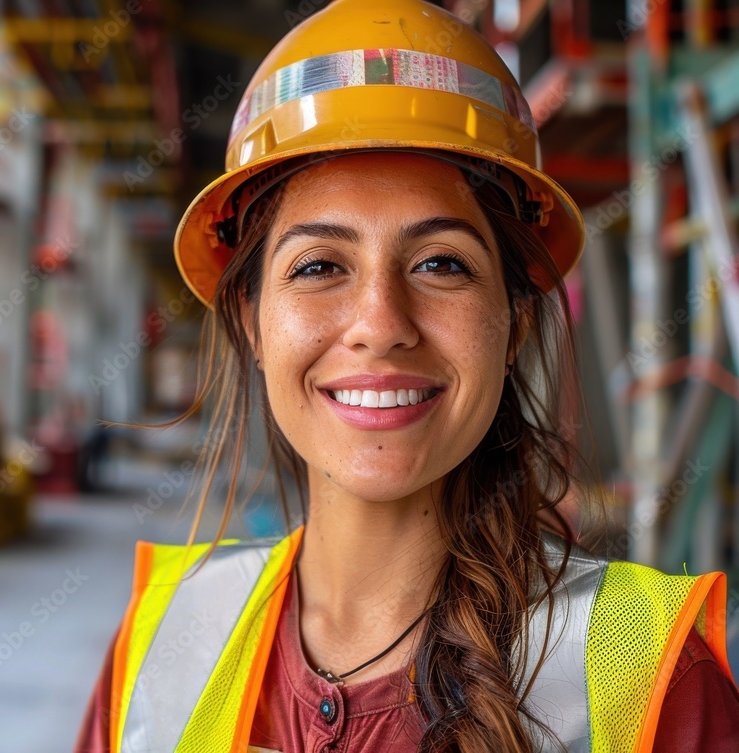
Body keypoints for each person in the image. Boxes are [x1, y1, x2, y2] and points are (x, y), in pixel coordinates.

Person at [75, 1, 739, 751]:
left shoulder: (648, 679)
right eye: (320, 265)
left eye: (440, 263)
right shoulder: (161, 647)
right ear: (251, 322)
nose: (382, 320)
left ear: (515, 322)